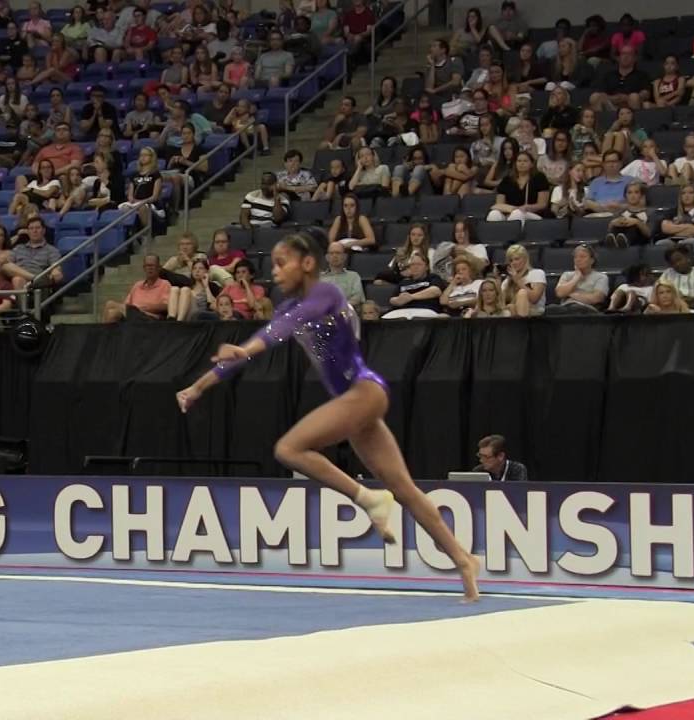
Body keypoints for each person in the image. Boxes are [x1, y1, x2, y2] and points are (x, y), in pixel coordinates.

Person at [176, 232, 480, 601]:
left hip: (364, 391)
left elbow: (275, 333)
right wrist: (197, 387)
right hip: (358, 402)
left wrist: (248, 346)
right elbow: (245, 353)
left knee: (289, 448)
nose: (274, 272)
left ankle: (368, 499)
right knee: (405, 490)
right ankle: (464, 561)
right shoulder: (290, 308)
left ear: (307, 263)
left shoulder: (327, 294)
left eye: (281, 262)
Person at [103, 254, 172, 321]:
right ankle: (103, 332)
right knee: (112, 313)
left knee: (110, 304)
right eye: (147, 266)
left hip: (150, 317)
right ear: (144, 268)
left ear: (159, 267)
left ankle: (100, 331)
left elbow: (166, 306)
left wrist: (144, 308)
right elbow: (126, 304)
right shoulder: (137, 285)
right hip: (133, 315)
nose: (149, 268)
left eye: (152, 265)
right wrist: (135, 310)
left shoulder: (165, 284)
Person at [550, 244, 609, 314]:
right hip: (565, 308)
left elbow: (596, 298)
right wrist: (576, 278)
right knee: (550, 308)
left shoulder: (601, 277)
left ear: (592, 260)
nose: (578, 259)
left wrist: (570, 294)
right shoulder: (567, 275)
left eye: (582, 257)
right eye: (575, 257)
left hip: (587, 309)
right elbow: (559, 293)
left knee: (576, 308)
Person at [319, 241, 364, 306]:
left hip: (346, 312)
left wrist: (339, 308)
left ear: (344, 256)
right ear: (327, 257)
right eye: (331, 253)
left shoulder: (353, 276)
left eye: (338, 253)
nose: (335, 256)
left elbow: (357, 298)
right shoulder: (319, 278)